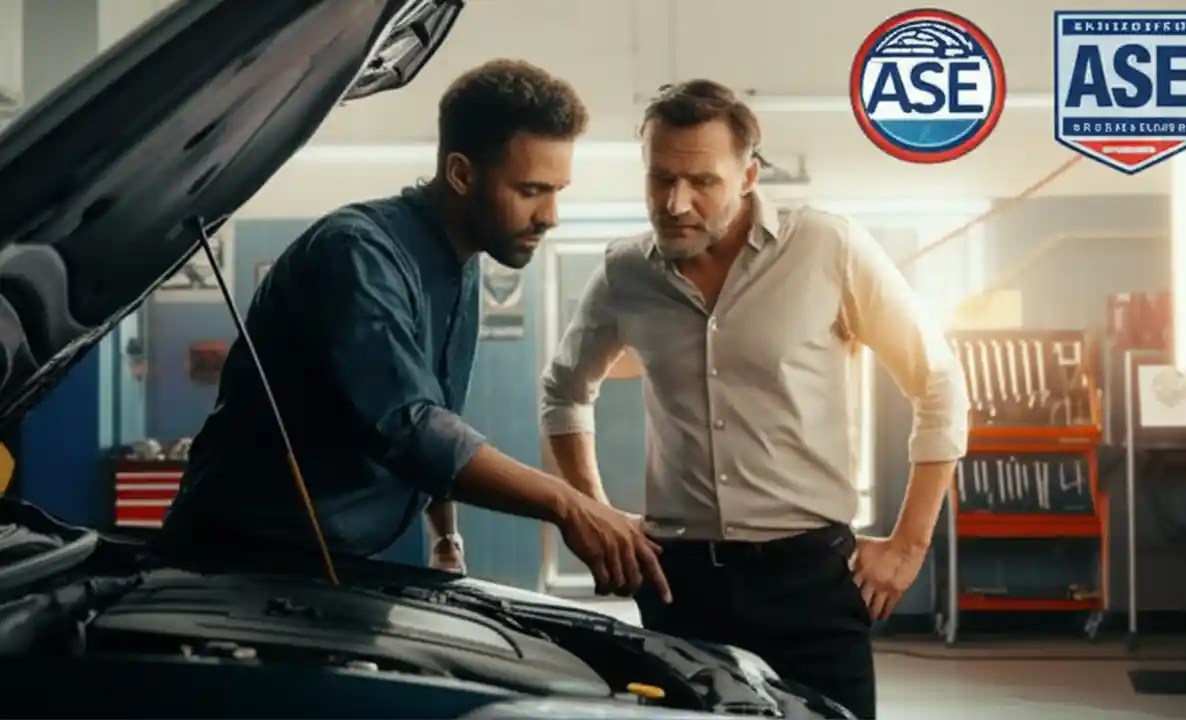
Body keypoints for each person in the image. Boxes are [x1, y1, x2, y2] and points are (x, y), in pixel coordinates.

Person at [157, 59, 671, 606]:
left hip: (333, 566)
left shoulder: (463, 262)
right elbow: (408, 426)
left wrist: (446, 537)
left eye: (557, 191)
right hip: (237, 568)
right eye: (531, 190)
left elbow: (437, 413)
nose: (550, 215)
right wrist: (569, 504)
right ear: (461, 175)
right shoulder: (357, 254)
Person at [539, 79, 970, 719]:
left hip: (812, 581)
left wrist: (909, 545)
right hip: (680, 584)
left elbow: (938, 381)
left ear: (748, 177)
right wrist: (594, 513)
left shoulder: (827, 247)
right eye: (660, 179)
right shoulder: (625, 272)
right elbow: (564, 392)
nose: (676, 203)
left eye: (702, 182)